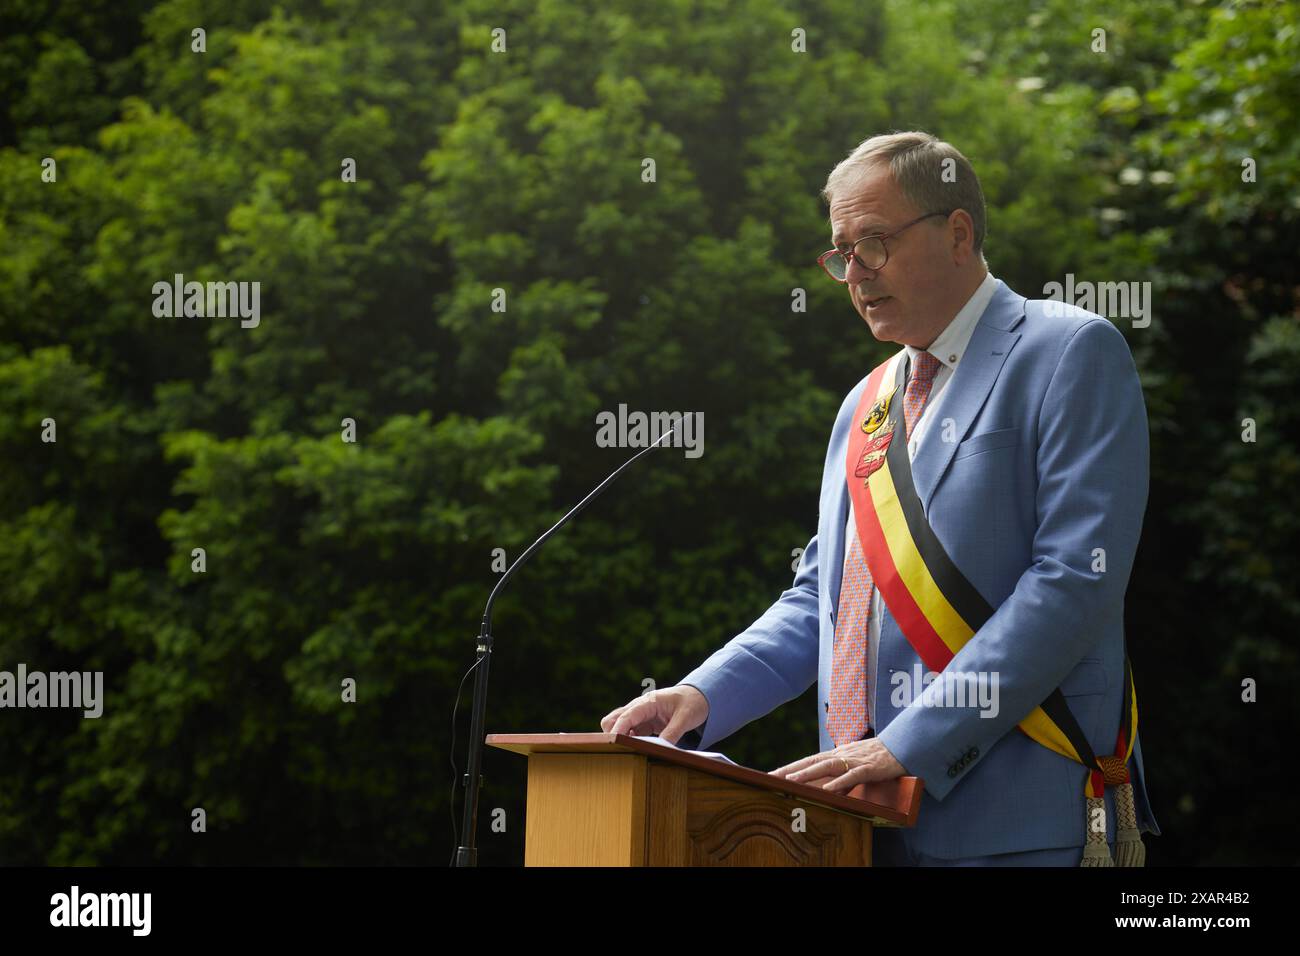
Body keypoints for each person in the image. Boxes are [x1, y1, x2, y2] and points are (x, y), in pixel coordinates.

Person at [600, 131, 1159, 866]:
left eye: (874, 243)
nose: (855, 273)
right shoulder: (864, 403)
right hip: (853, 823)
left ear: (958, 232)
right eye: (841, 253)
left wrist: (909, 744)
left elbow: (1073, 584)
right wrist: (701, 697)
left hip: (1019, 822)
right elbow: (818, 600)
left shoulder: (1068, 351)